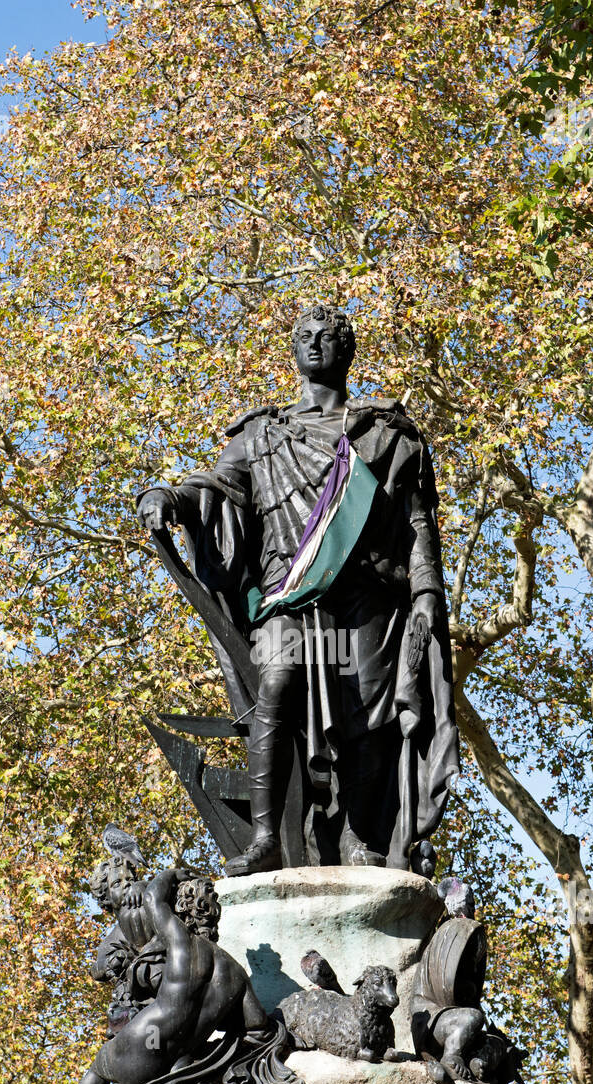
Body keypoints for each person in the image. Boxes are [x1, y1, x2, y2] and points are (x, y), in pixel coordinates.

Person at [137, 304, 459, 874]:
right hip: (286, 591)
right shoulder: (262, 434)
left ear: (347, 350)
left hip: (366, 598)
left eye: (327, 336)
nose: (315, 344)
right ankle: (266, 840)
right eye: (304, 336)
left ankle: (361, 841)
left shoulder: (385, 435)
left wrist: (429, 593)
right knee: (279, 680)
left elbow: (417, 522)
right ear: (293, 350)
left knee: (365, 715)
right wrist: (170, 497)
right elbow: (214, 487)